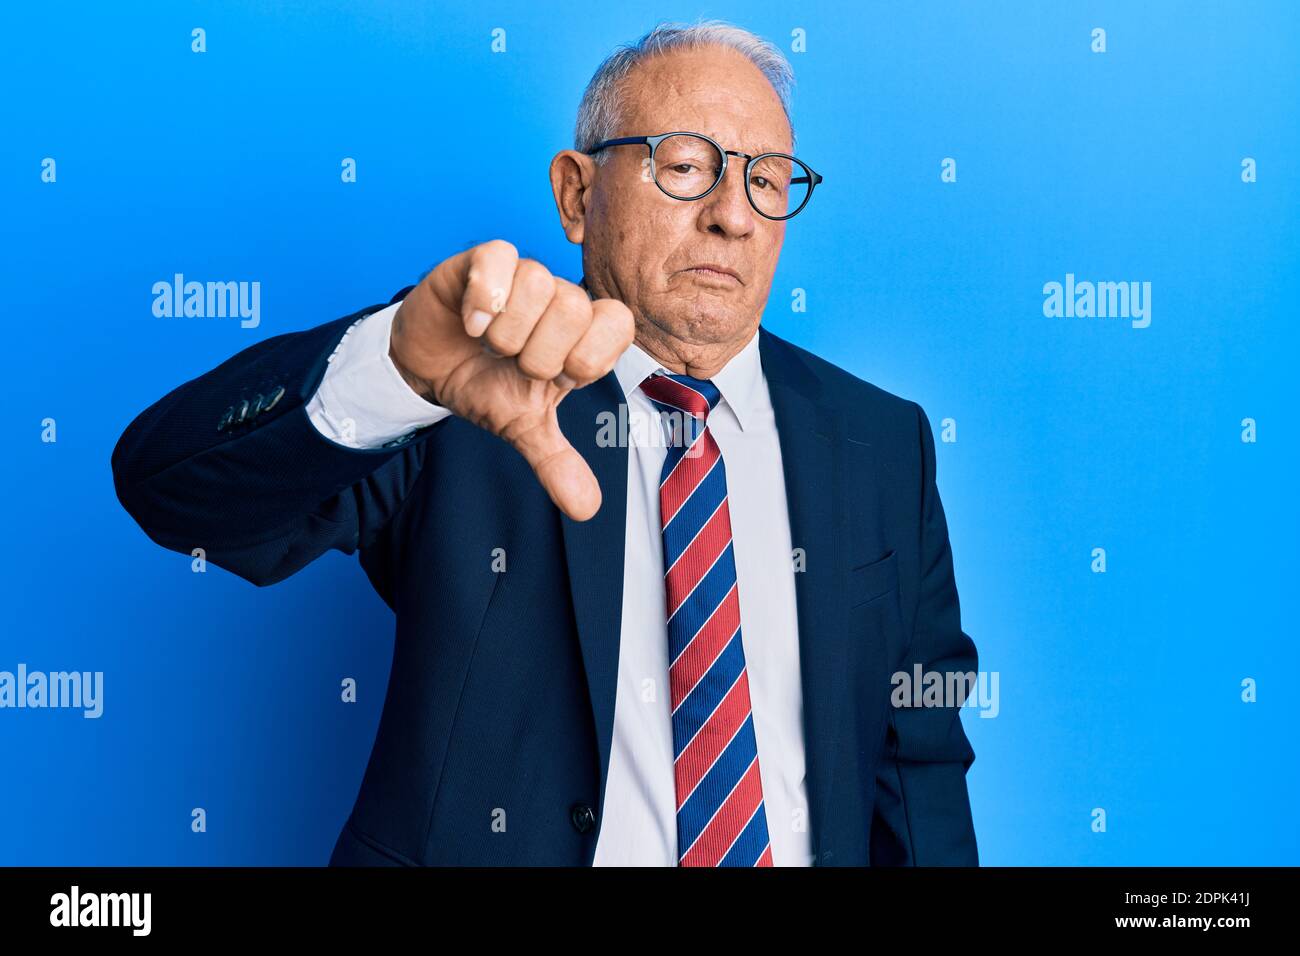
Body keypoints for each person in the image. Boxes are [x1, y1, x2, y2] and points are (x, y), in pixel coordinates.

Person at [112, 19, 978, 867]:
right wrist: (394, 371)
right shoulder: (460, 383)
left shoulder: (882, 443)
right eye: (685, 166)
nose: (733, 217)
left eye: (768, 179)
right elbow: (172, 493)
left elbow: (921, 771)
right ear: (576, 195)